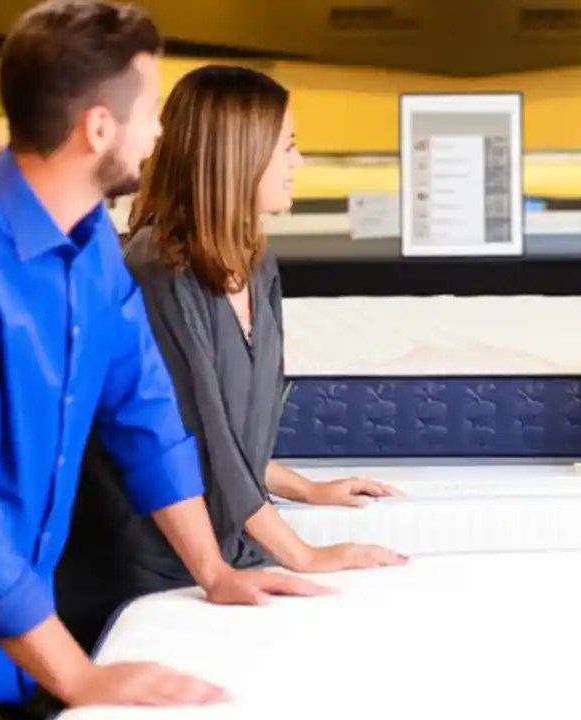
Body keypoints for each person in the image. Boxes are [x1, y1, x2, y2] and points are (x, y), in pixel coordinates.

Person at [0, 2, 328, 718]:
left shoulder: (92, 244)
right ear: (99, 128)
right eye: (150, 110)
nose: (159, 134)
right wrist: (79, 677)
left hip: (37, 637)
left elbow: (147, 421)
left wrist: (214, 573)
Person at [56, 64, 409, 655]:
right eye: (289, 147)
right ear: (238, 155)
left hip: (223, 553)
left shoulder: (256, 263)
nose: (300, 162)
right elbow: (188, 441)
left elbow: (224, 432)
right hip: (149, 571)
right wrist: (301, 554)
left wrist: (304, 488)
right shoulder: (158, 275)